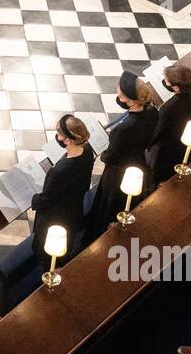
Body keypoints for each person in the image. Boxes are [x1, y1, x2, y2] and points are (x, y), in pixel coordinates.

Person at [84, 72, 159, 242]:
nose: (118, 95)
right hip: (137, 161)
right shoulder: (152, 112)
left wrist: (104, 150)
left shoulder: (123, 129)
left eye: (120, 94)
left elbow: (110, 157)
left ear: (130, 101)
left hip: (117, 172)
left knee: (109, 205)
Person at [30, 114, 95, 265]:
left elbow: (47, 199)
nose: (57, 138)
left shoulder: (60, 171)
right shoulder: (87, 150)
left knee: (46, 252)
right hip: (74, 210)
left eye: (59, 135)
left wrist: (34, 199)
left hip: (55, 216)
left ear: (69, 139)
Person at [148, 65, 191, 184]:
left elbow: (158, 131)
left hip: (165, 147)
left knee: (156, 174)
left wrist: (148, 145)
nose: (164, 82)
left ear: (175, 87)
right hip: (180, 135)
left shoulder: (167, 108)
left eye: (166, 81)